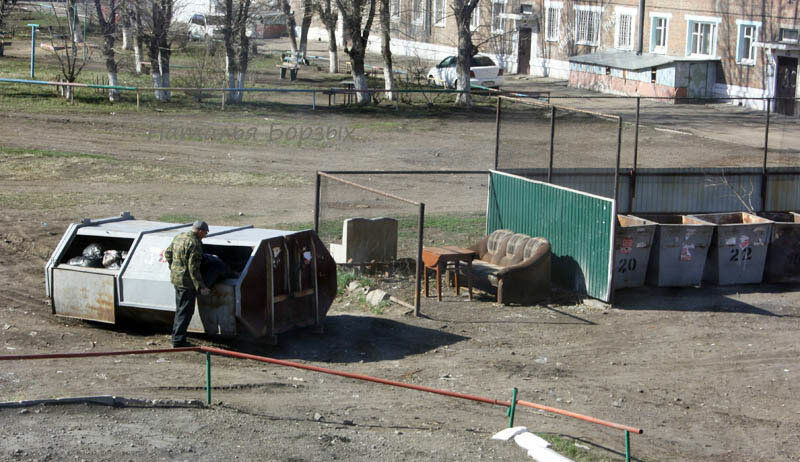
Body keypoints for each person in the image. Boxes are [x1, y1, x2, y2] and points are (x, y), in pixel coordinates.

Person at [164, 220, 210, 347]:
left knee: (180, 309)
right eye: (205, 233)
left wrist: (174, 269)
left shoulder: (179, 237)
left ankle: (176, 336)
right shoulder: (195, 243)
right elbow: (193, 269)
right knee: (185, 312)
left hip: (176, 280)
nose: (204, 236)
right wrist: (201, 286)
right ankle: (178, 341)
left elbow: (168, 254)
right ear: (200, 231)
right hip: (187, 283)